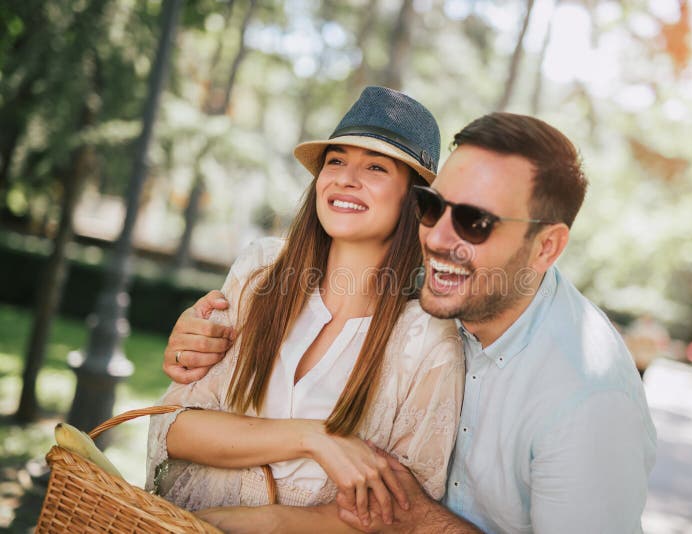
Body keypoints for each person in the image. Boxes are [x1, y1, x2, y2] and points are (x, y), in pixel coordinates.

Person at [167, 112, 657, 533]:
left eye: (474, 221)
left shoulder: (587, 403)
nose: (439, 237)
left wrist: (416, 520)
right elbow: (177, 417)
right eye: (433, 207)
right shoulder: (456, 296)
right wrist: (194, 338)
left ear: (546, 247)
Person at [146, 86, 465, 531]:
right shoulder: (259, 272)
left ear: (415, 201)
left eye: (375, 167)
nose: (346, 179)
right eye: (336, 161)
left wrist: (258, 523)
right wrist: (311, 438)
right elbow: (175, 429)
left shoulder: (427, 343)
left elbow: (393, 514)